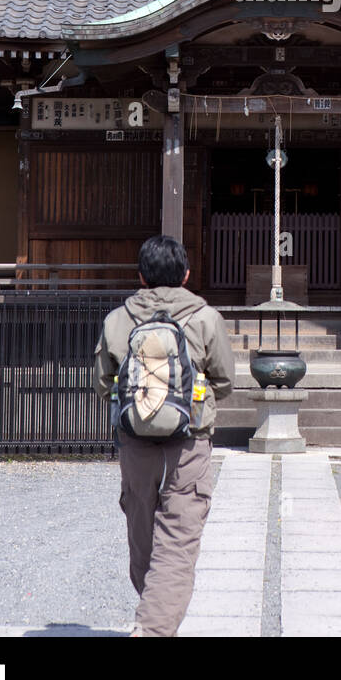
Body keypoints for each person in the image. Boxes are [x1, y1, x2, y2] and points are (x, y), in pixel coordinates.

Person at [93, 234, 235, 636]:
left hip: (135, 444)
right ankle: (153, 629)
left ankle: (151, 613)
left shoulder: (118, 319)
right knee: (178, 538)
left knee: (142, 534)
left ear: (140, 275)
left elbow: (104, 384)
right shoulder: (205, 317)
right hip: (187, 443)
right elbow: (225, 380)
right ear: (186, 275)